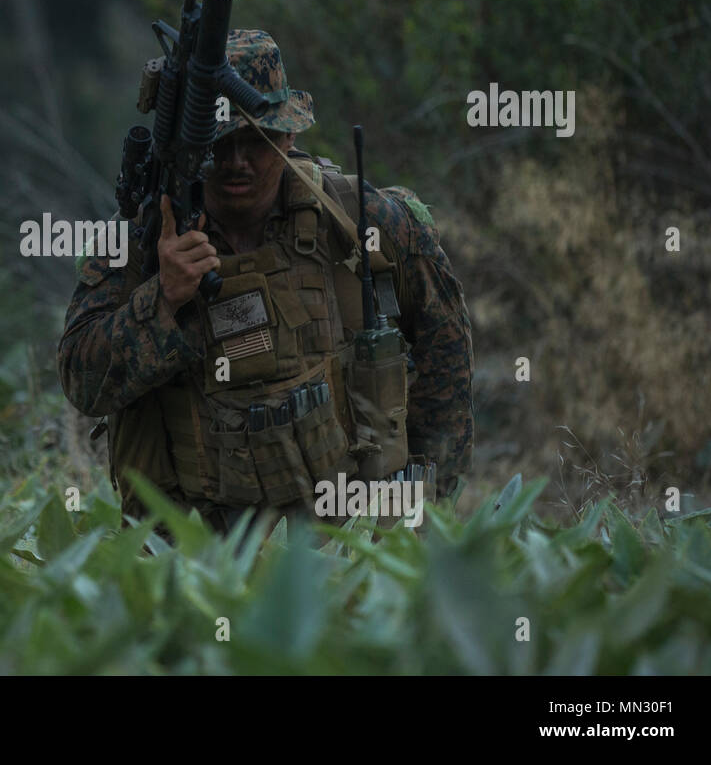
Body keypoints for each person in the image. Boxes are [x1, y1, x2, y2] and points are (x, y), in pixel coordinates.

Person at [58, 29, 473, 535]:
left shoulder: (356, 220)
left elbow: (445, 348)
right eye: (220, 143)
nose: (237, 162)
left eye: (256, 140)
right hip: (193, 551)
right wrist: (162, 299)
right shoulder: (143, 244)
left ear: (289, 135)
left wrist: (427, 504)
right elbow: (82, 383)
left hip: (346, 541)